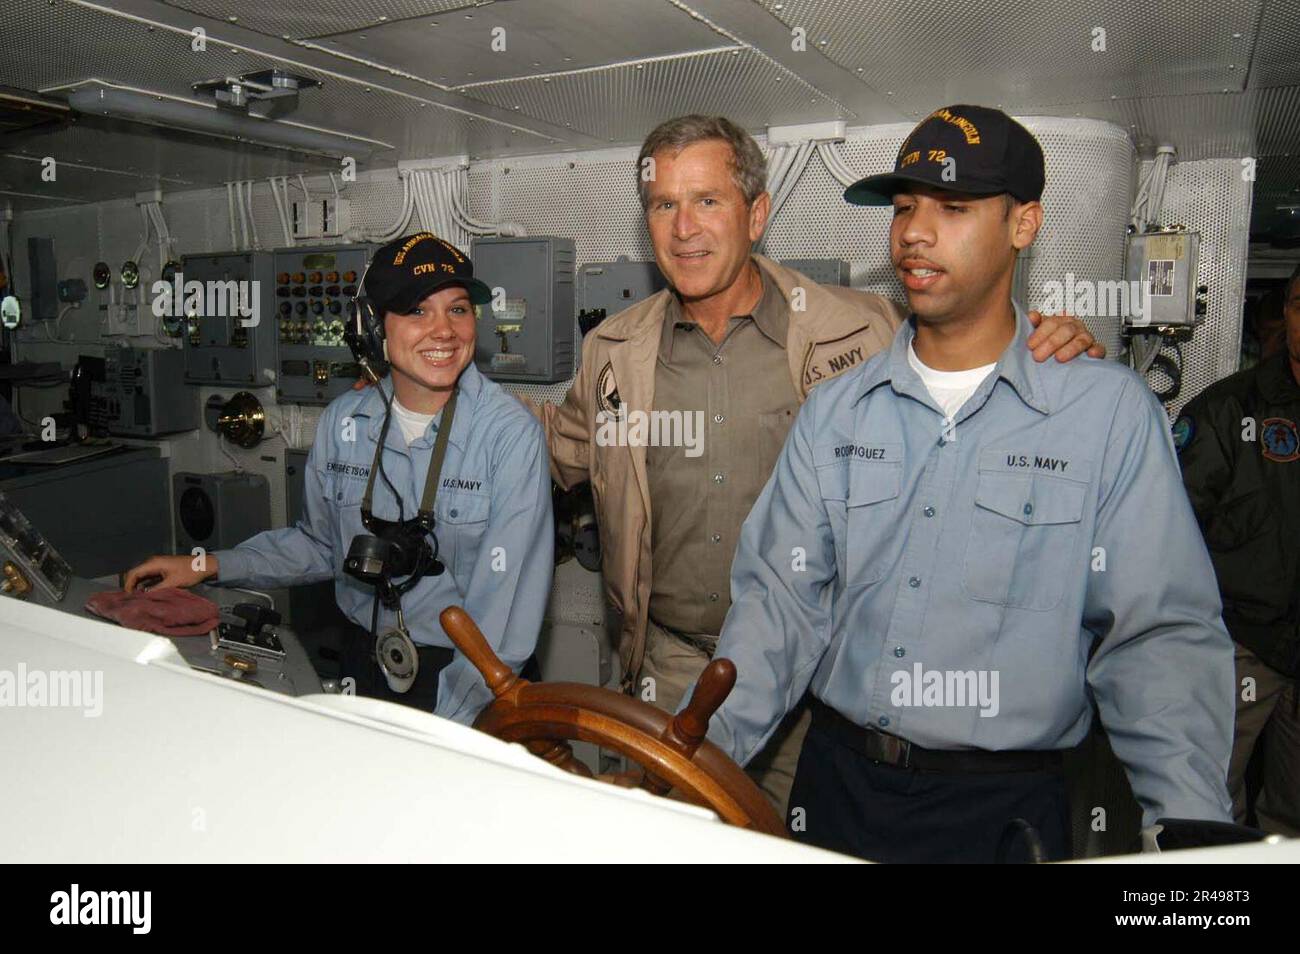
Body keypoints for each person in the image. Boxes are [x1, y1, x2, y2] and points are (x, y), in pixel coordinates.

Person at [691, 105, 1235, 862]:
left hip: (1004, 812)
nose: (913, 231)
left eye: (953, 208)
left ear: (1024, 224)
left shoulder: (1106, 414)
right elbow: (779, 607)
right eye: (906, 206)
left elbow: (1157, 637)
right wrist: (696, 761)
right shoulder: (837, 412)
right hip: (838, 790)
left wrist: (1189, 824)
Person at [529, 114, 1103, 818]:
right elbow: (557, 448)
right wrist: (436, 399)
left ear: (757, 213)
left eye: (708, 200)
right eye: (663, 204)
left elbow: (971, 351)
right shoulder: (612, 351)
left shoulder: (863, 328)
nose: (684, 228)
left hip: (827, 679)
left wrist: (1049, 336)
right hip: (673, 670)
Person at [125, 233, 553, 723]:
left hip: (470, 683)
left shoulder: (509, 436)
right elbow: (320, 545)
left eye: (457, 309)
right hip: (366, 666)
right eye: (417, 311)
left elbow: (504, 619)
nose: (444, 330)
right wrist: (204, 566)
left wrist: (447, 732)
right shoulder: (344, 422)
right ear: (374, 330)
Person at [1176, 261, 1300, 837]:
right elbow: (1174, 531)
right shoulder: (1230, 409)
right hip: (1239, 645)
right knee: (1210, 809)